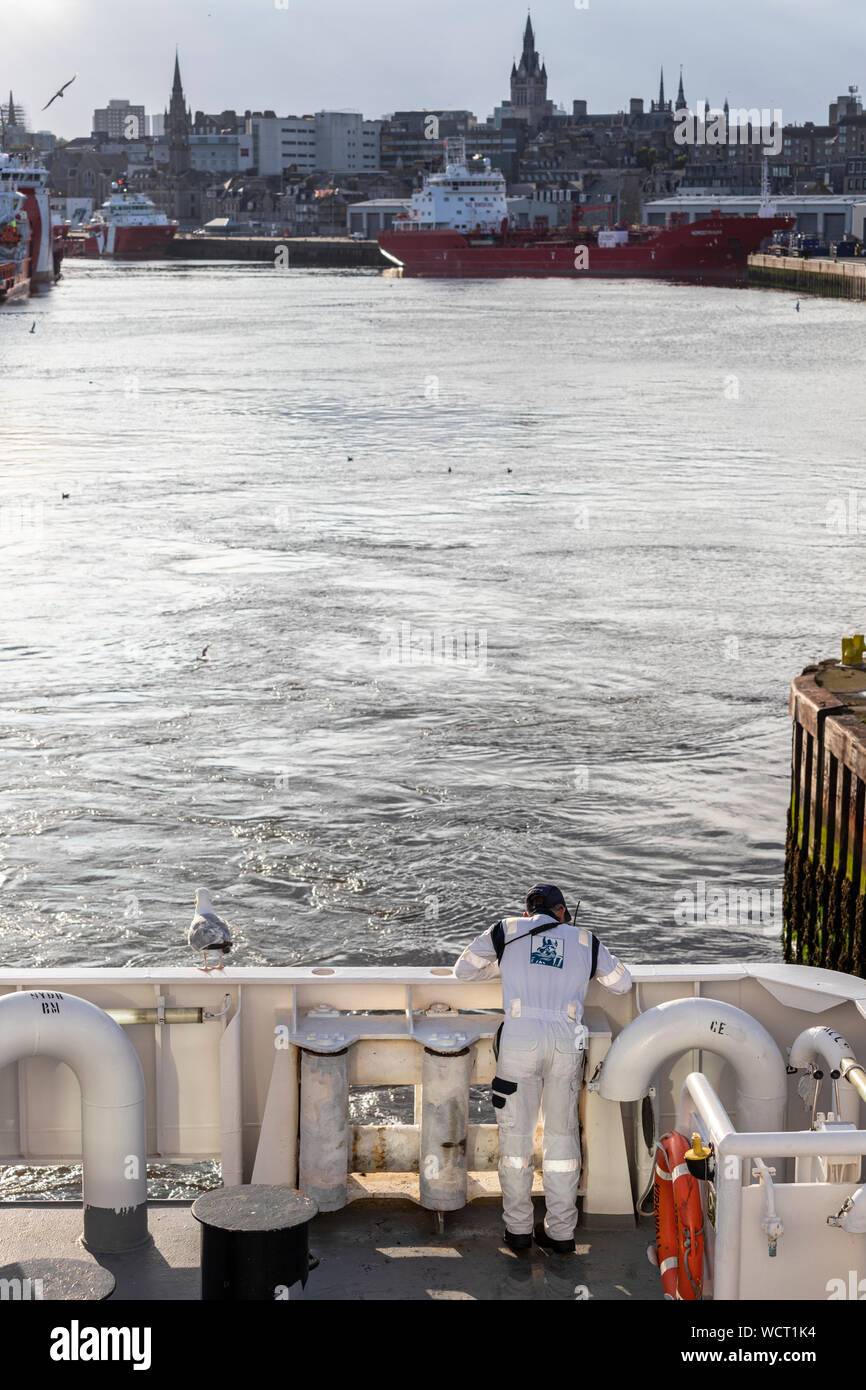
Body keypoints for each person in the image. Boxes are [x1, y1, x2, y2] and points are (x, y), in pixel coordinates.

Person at [454, 883, 632, 1254]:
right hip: (567, 1041)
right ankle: (561, 1232)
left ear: (527, 913)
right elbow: (621, 983)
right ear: (562, 911)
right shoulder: (587, 940)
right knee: (562, 1139)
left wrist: (504, 966)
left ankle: (518, 1230)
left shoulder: (506, 930)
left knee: (516, 1141)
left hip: (520, 1040)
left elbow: (464, 971)